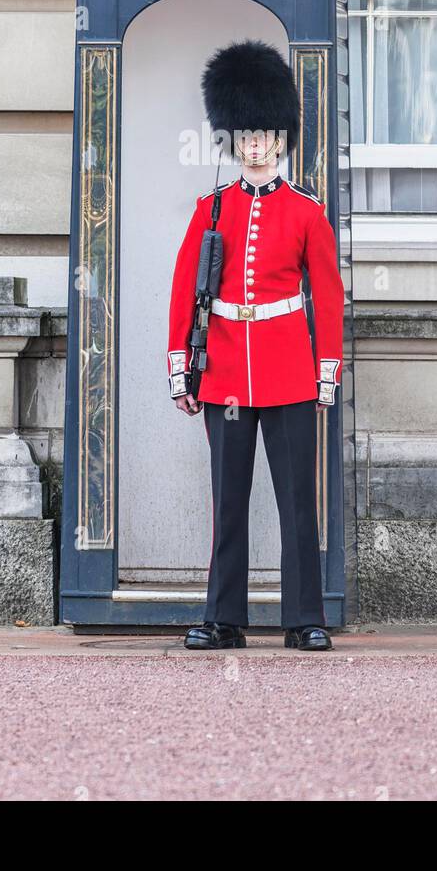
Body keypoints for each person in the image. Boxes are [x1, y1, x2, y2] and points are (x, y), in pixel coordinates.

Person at [166, 39, 345, 652]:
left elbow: (326, 294)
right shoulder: (210, 210)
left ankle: (303, 619)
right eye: (245, 135)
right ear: (234, 141)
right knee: (229, 502)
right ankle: (224, 619)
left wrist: (326, 371)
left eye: (265, 134)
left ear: (280, 139)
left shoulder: (306, 213)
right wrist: (181, 369)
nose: (256, 145)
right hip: (224, 373)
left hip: (289, 370)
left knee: (297, 504)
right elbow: (183, 291)